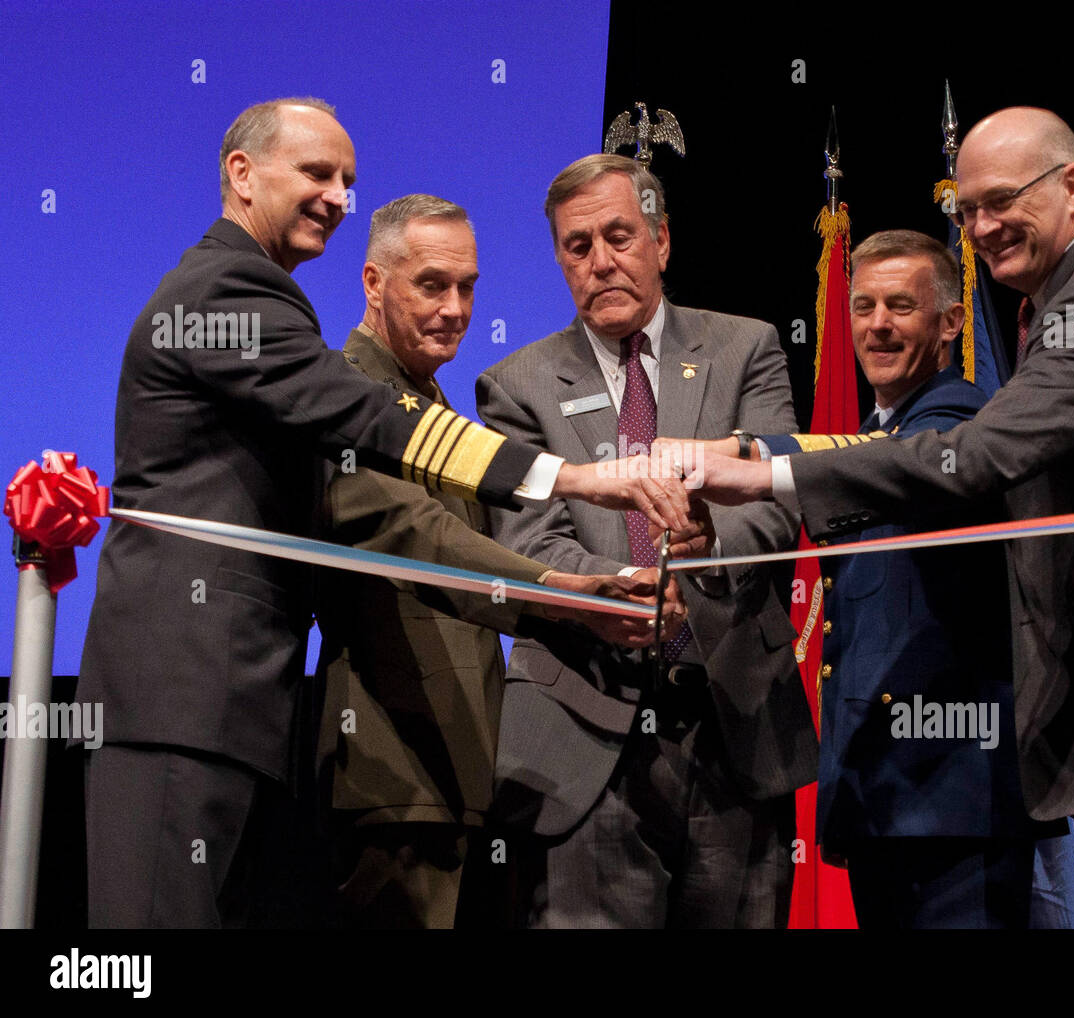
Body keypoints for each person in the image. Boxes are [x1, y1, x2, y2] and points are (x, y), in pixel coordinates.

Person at [654, 108, 1074, 928]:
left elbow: (977, 456)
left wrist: (762, 470)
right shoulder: (1062, 300)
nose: (984, 227)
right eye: (968, 211)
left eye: (1002, 200)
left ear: (1073, 186)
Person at [76, 99, 680, 928]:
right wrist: (568, 480)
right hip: (189, 697)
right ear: (241, 175)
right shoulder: (228, 289)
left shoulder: (269, 302)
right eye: (316, 173)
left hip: (239, 704)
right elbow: (389, 473)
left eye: (347, 181)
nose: (336, 196)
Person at [475, 154, 817, 928]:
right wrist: (632, 587)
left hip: (734, 727)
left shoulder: (748, 348)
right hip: (584, 729)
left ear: (661, 242)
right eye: (577, 245)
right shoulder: (516, 385)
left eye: (619, 236)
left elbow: (773, 499)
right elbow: (532, 541)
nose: (600, 261)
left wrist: (699, 549)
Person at [314, 194, 669, 928]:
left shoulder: (431, 405)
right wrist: (564, 589)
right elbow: (425, 541)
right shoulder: (346, 398)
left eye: (468, 287)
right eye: (432, 285)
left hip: (458, 771)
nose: (455, 307)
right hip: (391, 770)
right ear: (374, 284)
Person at [758, 228, 1068, 927]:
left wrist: (747, 459)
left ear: (952, 322)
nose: (877, 325)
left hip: (957, 806)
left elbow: (903, 467)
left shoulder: (961, 420)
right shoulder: (875, 438)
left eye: (901, 305)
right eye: (863, 306)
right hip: (888, 804)